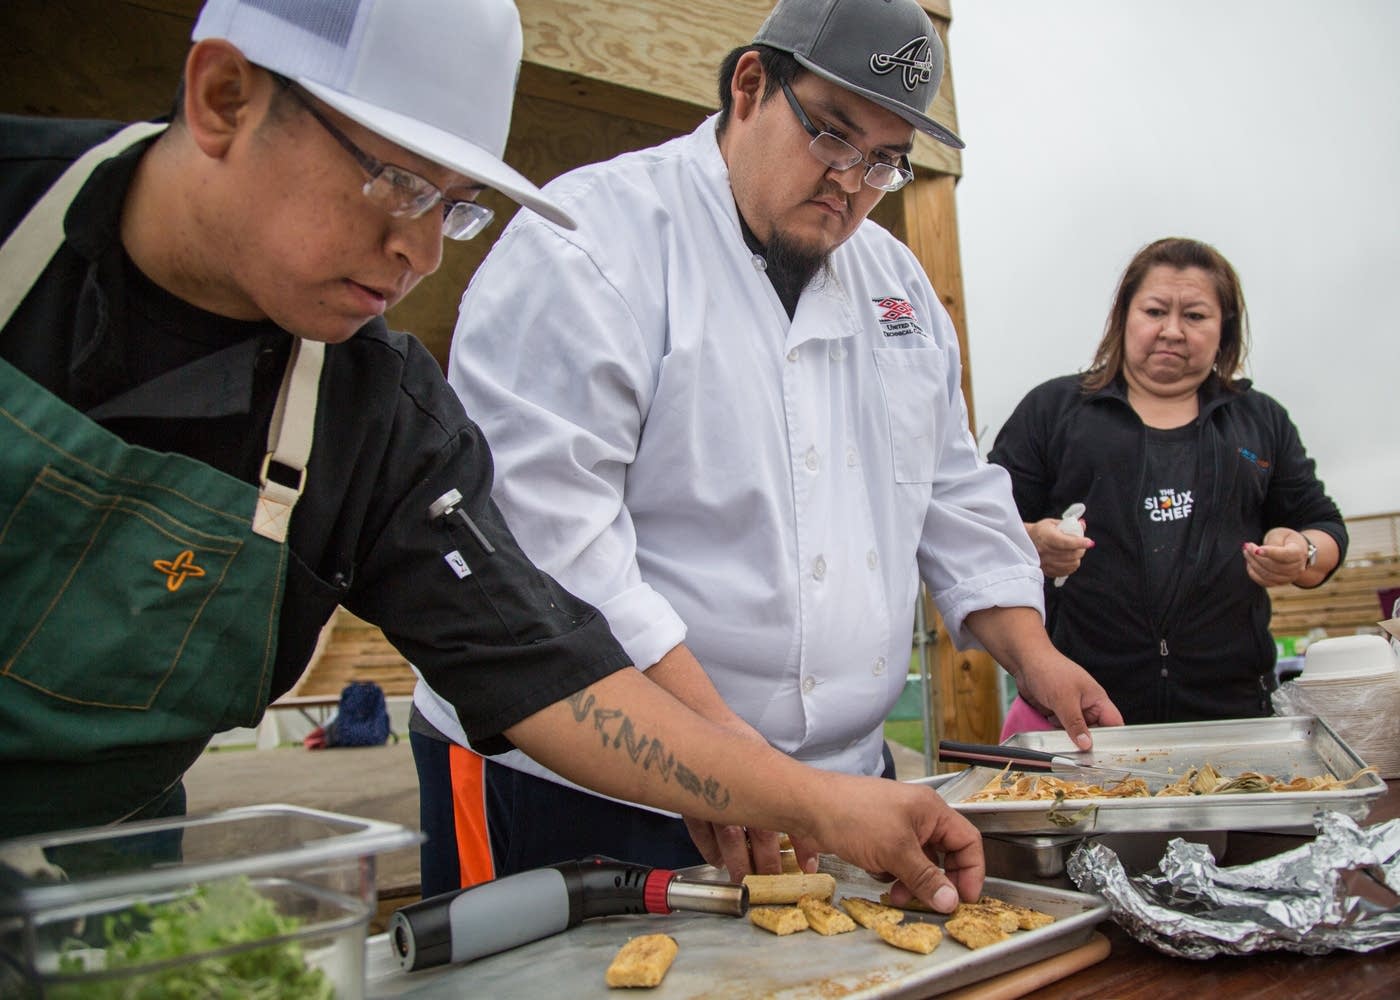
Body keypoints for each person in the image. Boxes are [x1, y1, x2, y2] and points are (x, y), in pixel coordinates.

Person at [0, 0, 986, 914]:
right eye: (397, 184)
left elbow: (544, 671)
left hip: (93, 870)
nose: (423, 253)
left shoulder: (373, 414)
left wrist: (811, 798)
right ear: (223, 98)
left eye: (453, 207)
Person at [412, 0, 1123, 895]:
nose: (851, 183)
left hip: (839, 786)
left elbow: (949, 489)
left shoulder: (896, 287)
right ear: (750, 86)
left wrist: (1036, 656)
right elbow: (557, 554)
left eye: (885, 160)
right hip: (586, 784)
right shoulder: (589, 244)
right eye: (832, 134)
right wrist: (728, 758)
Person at [988, 236, 1347, 729]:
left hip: (1232, 715)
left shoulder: (1260, 421)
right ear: (1124, 317)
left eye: (1195, 316)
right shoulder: (1053, 410)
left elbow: (1324, 527)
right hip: (1081, 716)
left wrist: (1302, 551)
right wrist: (1032, 540)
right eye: (1155, 311)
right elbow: (985, 527)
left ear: (1225, 329)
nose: (1172, 331)